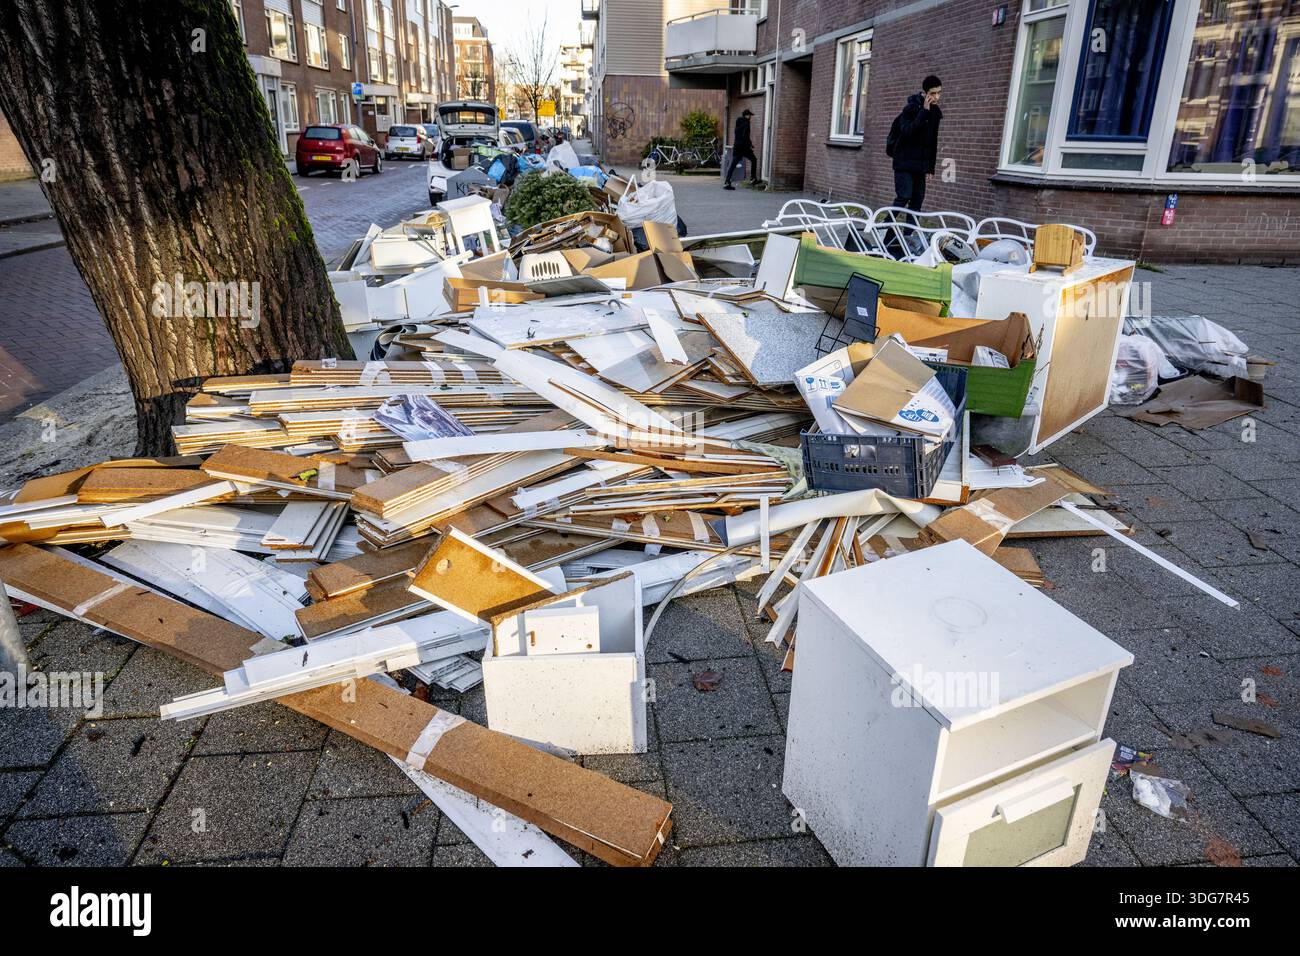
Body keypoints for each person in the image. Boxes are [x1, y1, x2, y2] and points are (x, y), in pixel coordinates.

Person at [886, 75, 943, 212]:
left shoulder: (936, 113)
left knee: (917, 200)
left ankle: (909, 233)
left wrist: (931, 167)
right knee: (904, 197)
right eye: (932, 93)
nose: (936, 97)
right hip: (904, 162)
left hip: (920, 166)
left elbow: (932, 141)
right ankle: (885, 228)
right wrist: (924, 112)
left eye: (939, 93)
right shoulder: (910, 109)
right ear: (924, 93)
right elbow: (907, 132)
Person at [724, 109, 757, 190]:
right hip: (744, 147)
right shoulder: (746, 123)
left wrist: (750, 143)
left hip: (737, 146)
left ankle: (727, 182)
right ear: (746, 115)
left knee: (733, 164)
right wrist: (749, 144)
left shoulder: (738, 122)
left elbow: (739, 134)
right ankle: (753, 178)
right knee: (754, 159)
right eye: (749, 115)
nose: (750, 117)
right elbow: (745, 135)